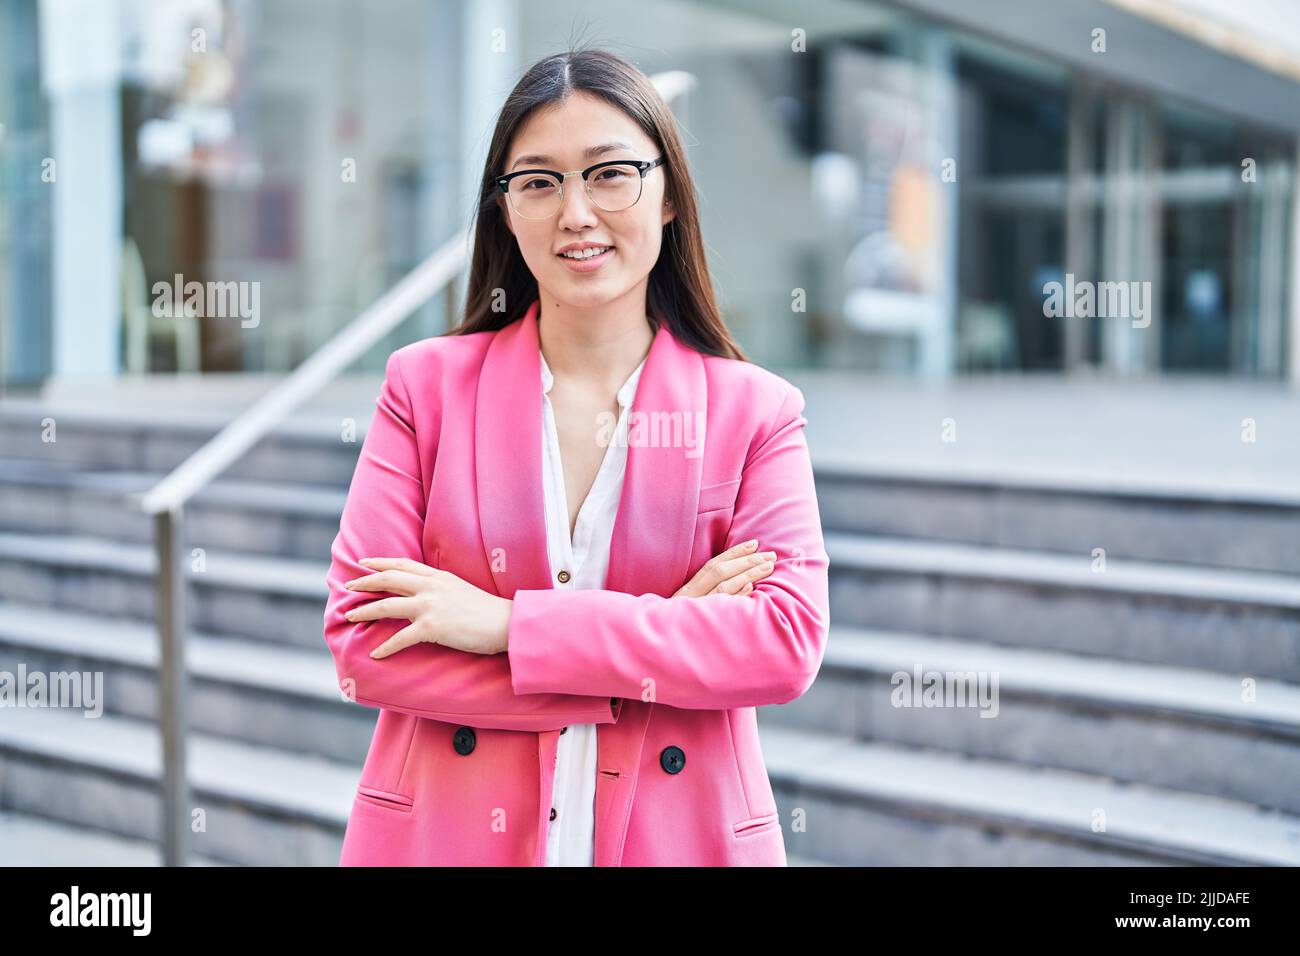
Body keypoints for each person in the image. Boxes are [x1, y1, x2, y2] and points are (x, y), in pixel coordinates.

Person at [323, 45, 830, 867]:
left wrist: (506, 628)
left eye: (608, 173)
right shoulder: (425, 390)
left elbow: (781, 642)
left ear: (667, 196)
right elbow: (362, 639)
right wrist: (664, 641)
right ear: (506, 210)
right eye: (538, 181)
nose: (576, 213)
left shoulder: (755, 413)